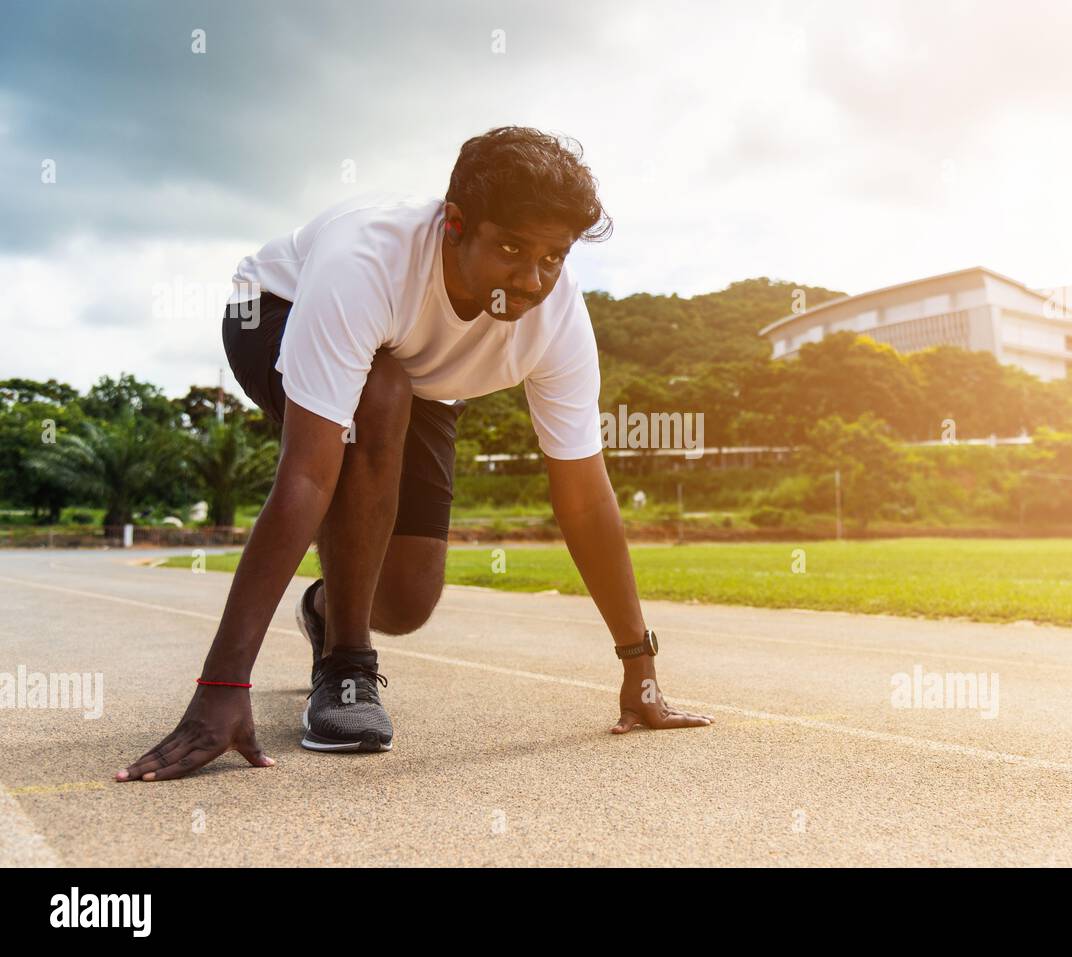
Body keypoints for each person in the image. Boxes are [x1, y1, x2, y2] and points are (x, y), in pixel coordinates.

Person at [115, 126, 713, 782]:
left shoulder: (556, 316)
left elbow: (583, 495)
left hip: (414, 367)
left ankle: (326, 609)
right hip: (275, 309)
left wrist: (639, 664)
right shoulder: (366, 262)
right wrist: (223, 684)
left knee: (405, 600)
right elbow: (310, 475)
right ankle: (347, 667)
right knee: (380, 388)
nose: (531, 278)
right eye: (512, 247)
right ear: (455, 224)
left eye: (554, 257)